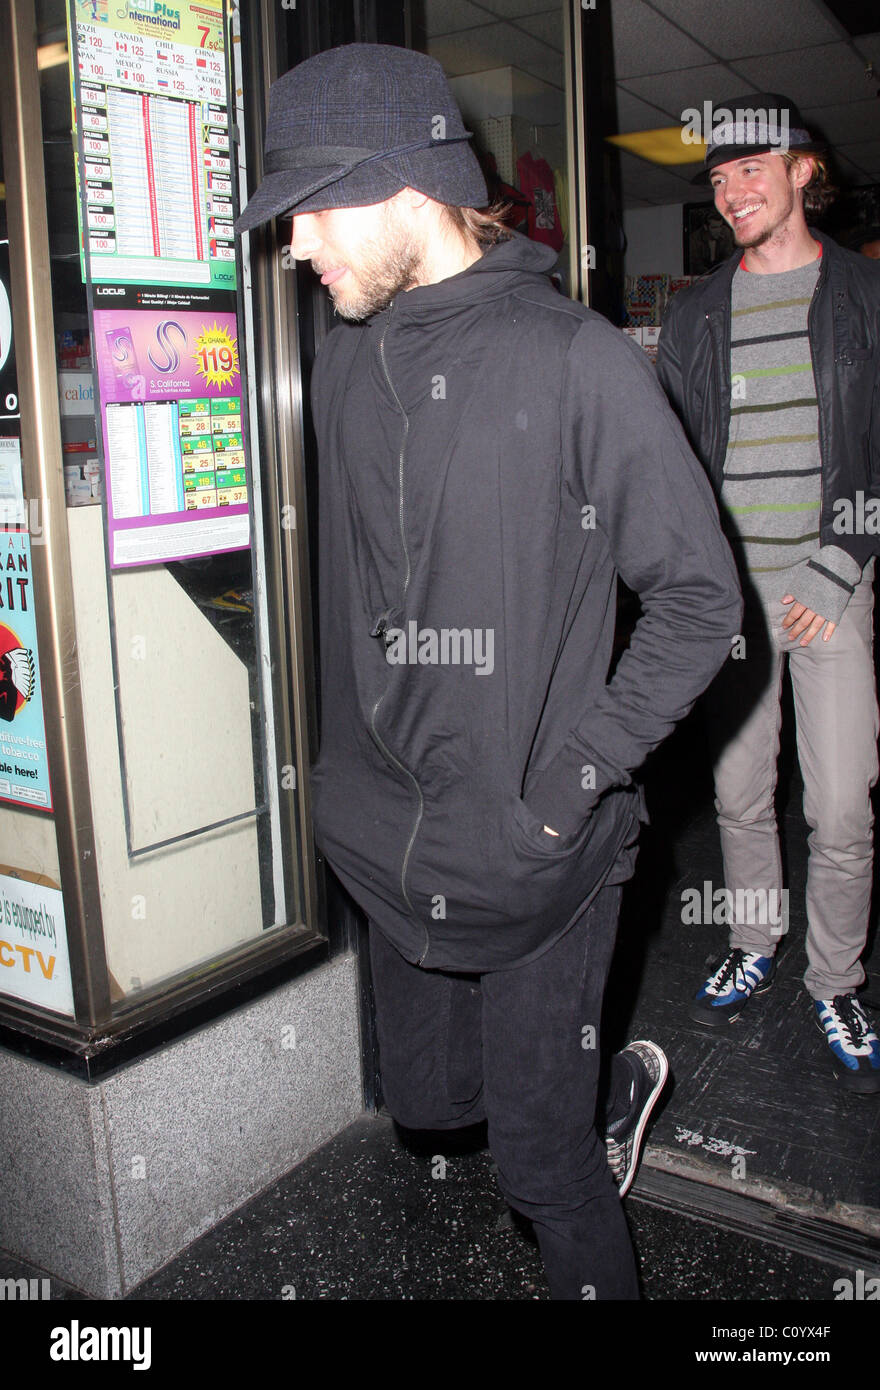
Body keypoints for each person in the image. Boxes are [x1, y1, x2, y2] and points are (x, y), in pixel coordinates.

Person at [235, 43, 742, 1298]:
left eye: (312, 211)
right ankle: (597, 1080)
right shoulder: (349, 359)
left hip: (539, 850)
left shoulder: (577, 362)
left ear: (406, 188)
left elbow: (700, 600)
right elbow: (354, 592)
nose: (296, 247)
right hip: (391, 841)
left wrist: (566, 782)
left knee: (538, 1169)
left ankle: (576, 1116)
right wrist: (335, 776)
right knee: (427, 1099)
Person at [656, 94, 880, 1095]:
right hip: (735, 598)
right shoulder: (698, 313)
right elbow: (672, 460)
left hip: (832, 583)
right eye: (717, 175)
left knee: (839, 805)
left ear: (802, 170)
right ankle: (755, 938)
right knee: (739, 795)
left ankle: (834, 975)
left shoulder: (864, 298)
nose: (733, 188)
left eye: (753, 167)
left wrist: (841, 561)